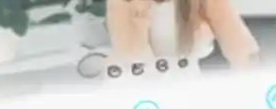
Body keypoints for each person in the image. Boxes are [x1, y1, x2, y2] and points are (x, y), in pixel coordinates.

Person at [107, 0, 260, 67]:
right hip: (138, 90)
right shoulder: (122, 3)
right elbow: (129, 53)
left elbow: (239, 44)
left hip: (188, 88)